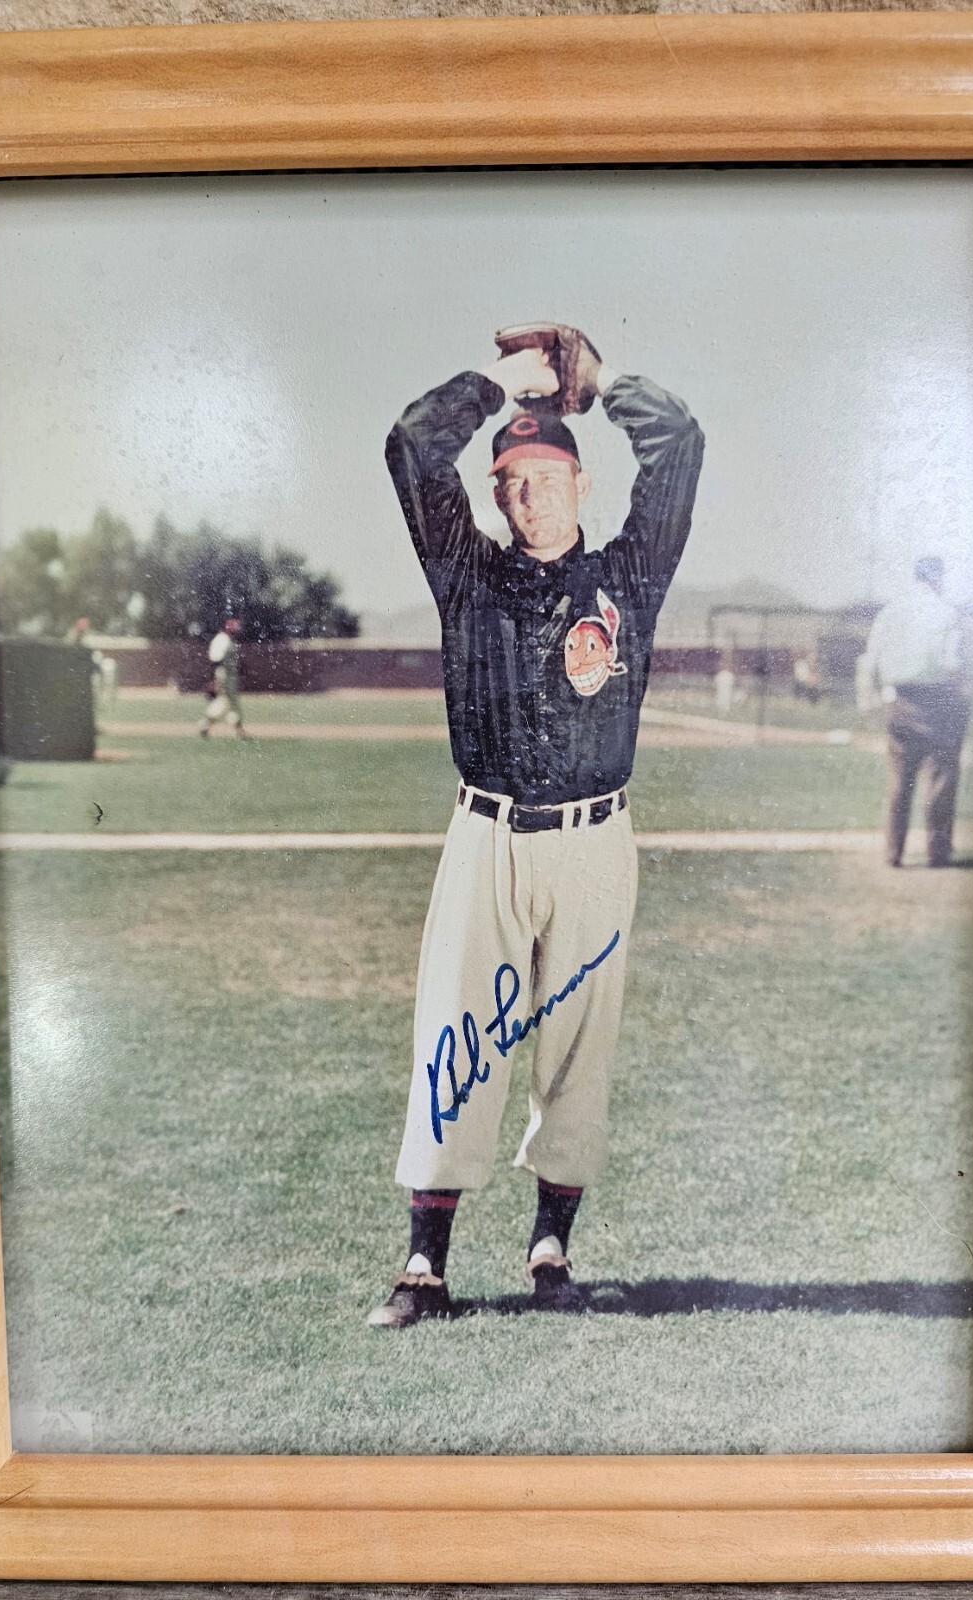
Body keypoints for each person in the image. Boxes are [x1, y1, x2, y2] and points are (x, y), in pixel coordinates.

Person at [368, 325, 705, 1329]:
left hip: (597, 838)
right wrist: (496, 384)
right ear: (495, 494)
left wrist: (594, 386)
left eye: (547, 476)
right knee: (458, 1033)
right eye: (511, 480)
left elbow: (678, 445)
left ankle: (551, 1240)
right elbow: (408, 447)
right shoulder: (466, 574)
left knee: (577, 1043)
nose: (531, 495)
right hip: (489, 835)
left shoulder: (629, 577)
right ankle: (423, 1263)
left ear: (579, 484)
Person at [859, 556, 967, 868]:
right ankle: (937, 853)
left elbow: (870, 661)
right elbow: (954, 664)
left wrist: (872, 702)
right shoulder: (947, 613)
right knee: (940, 781)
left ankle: (893, 853)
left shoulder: (891, 612)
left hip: (900, 701)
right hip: (939, 701)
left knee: (898, 783)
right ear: (939, 577)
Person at [198, 618, 245, 737]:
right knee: (230, 702)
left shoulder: (228, 640)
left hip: (230, 675)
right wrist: (213, 680)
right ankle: (238, 730)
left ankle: (206, 724)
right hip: (224, 674)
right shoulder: (221, 640)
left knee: (225, 702)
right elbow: (215, 660)